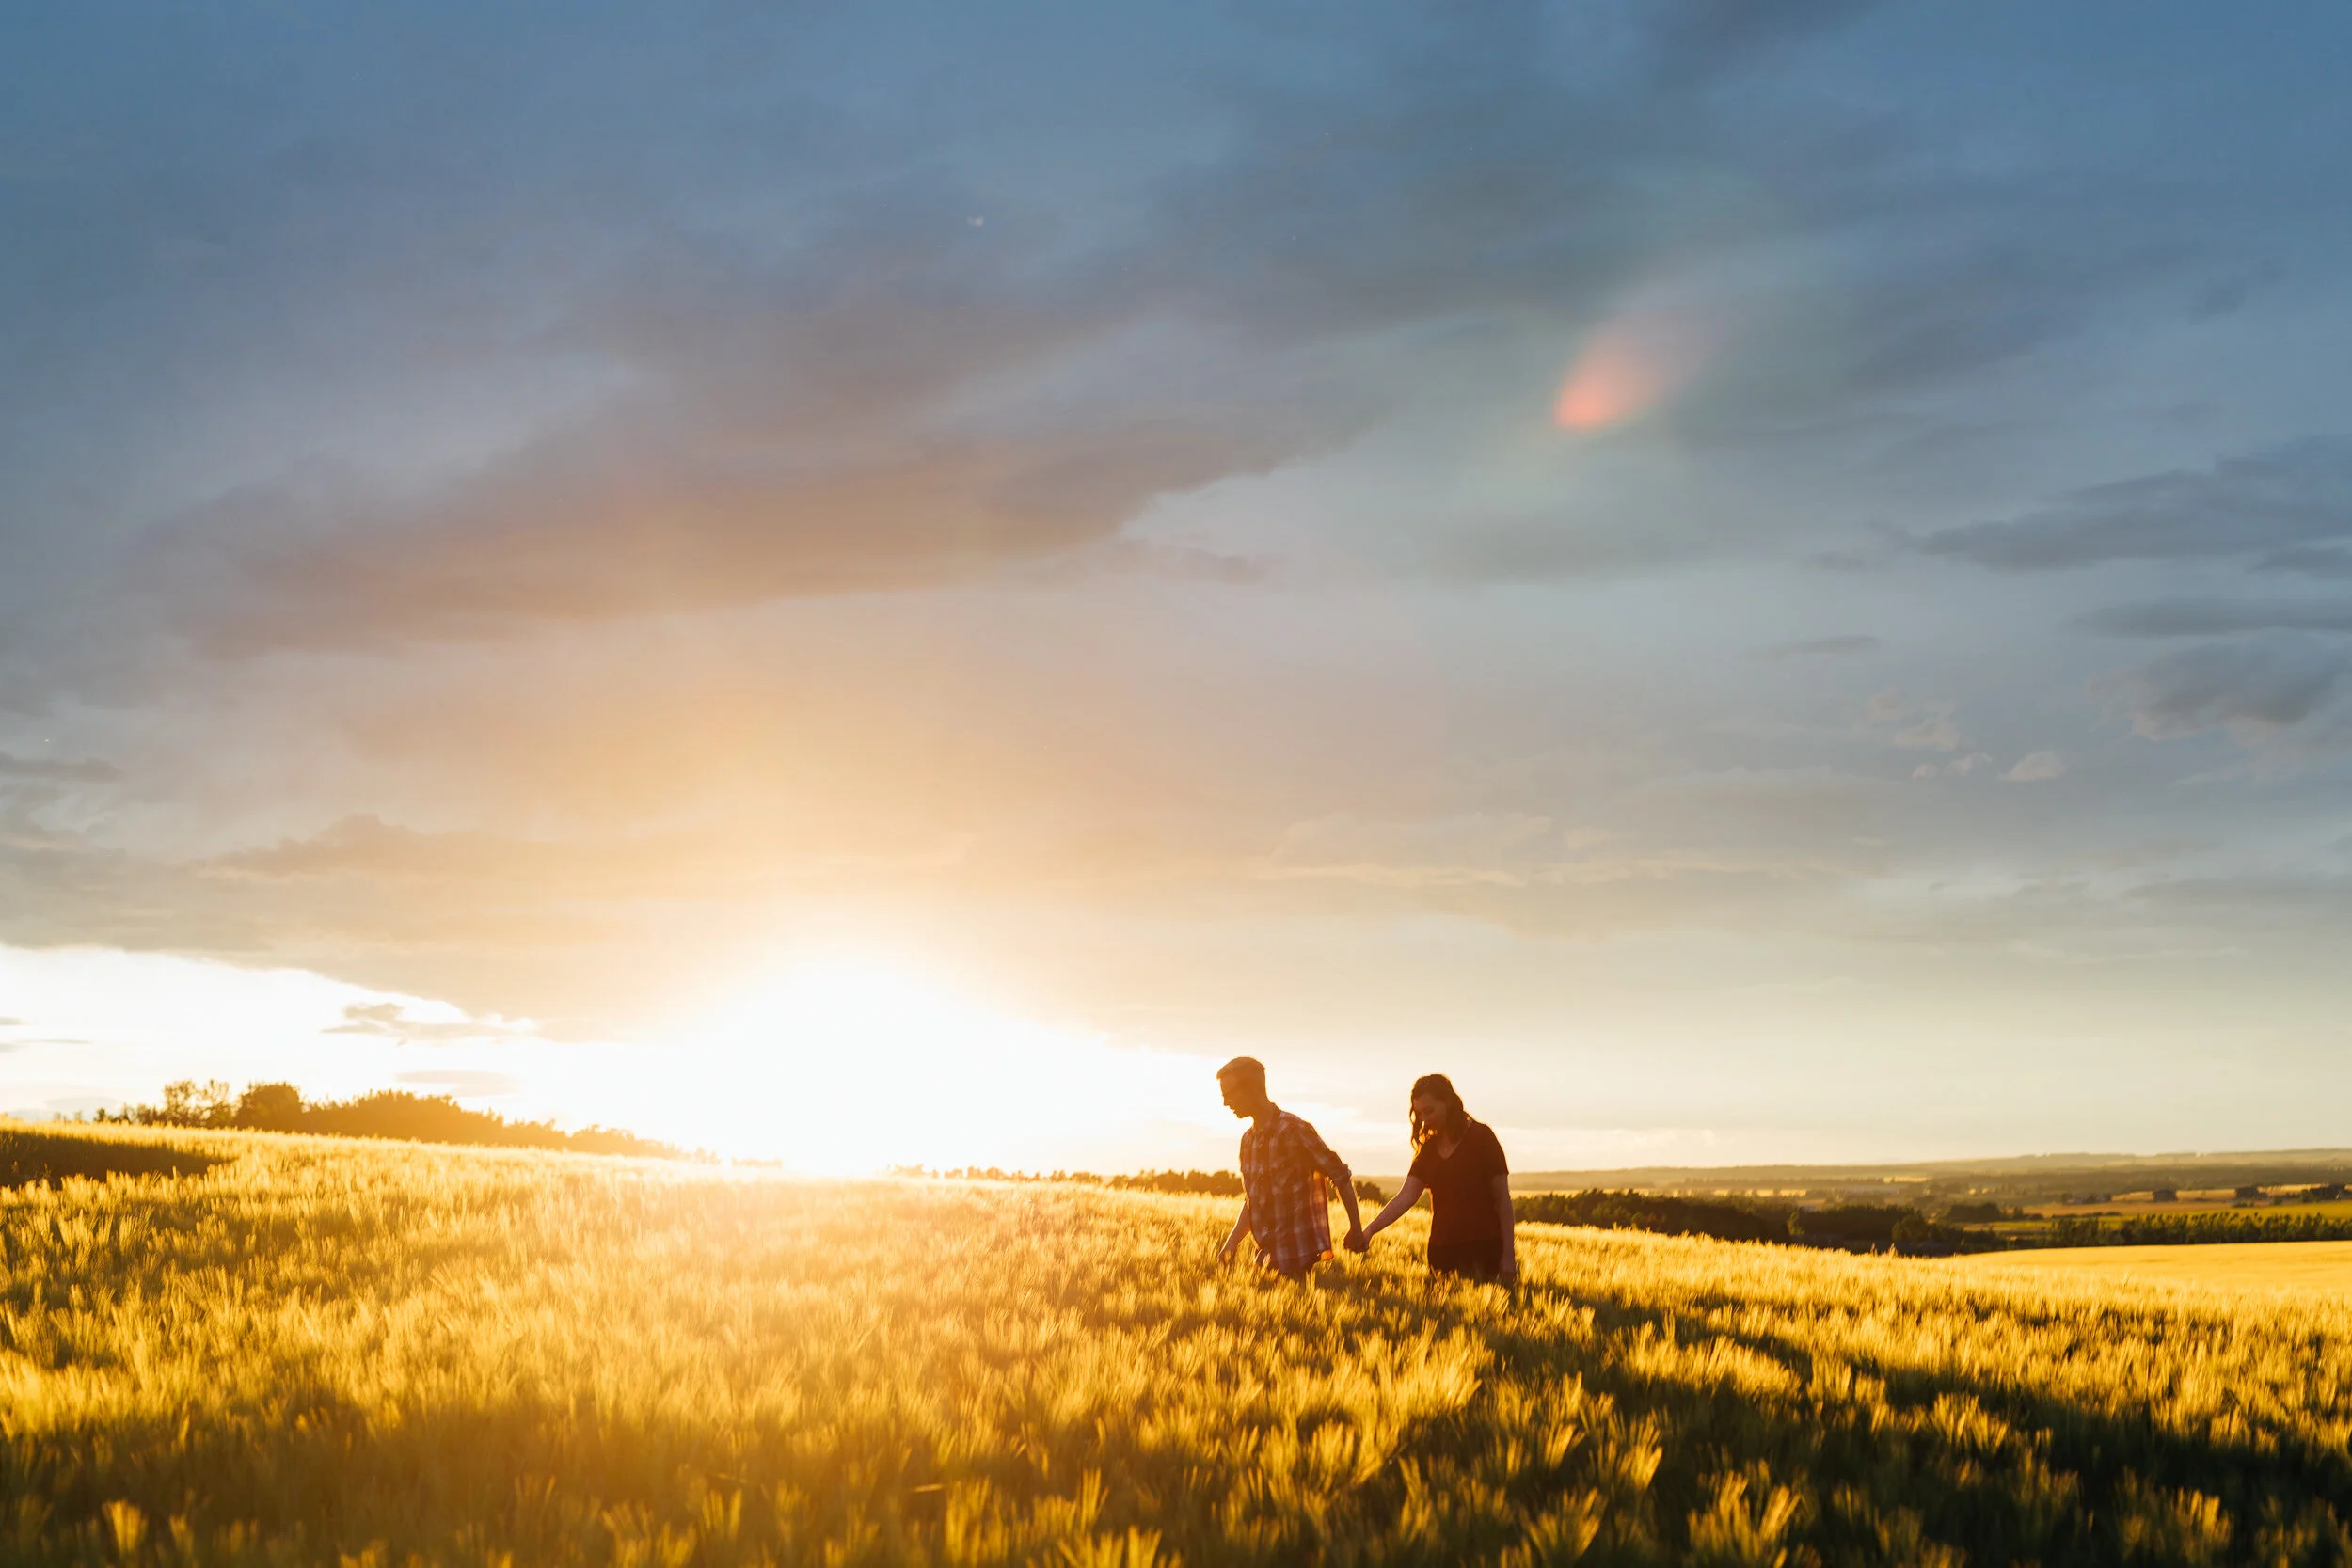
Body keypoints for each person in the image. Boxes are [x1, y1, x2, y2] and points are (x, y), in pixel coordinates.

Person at [1215, 1056, 1367, 1278]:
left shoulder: (1294, 1130)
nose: (1225, 1103)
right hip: (1264, 1257)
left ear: (1252, 1088)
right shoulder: (1248, 1141)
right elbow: (1253, 1200)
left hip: (1297, 1257)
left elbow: (1340, 1175)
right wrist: (1232, 1242)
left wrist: (1356, 1228)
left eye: (1229, 1094)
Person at [1361, 1073, 1517, 1284]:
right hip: (1441, 1253)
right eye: (1419, 1113)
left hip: (1484, 1250)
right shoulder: (1429, 1149)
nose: (1424, 1119)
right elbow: (1406, 1197)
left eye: (1430, 1110)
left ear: (1448, 1102)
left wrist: (1509, 1254)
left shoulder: (1482, 1138)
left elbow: (1503, 1199)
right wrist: (1371, 1229)